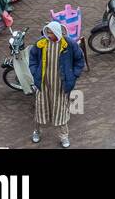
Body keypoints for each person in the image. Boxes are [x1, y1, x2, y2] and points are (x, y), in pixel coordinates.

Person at [29, 20, 85, 148]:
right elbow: (32, 59)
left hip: (60, 86)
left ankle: (64, 137)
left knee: (61, 111)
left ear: (57, 33)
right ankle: (36, 132)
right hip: (43, 85)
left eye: (51, 33)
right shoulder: (41, 43)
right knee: (40, 110)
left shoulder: (69, 44)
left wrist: (74, 75)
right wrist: (34, 72)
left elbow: (79, 60)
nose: (49, 35)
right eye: (47, 32)